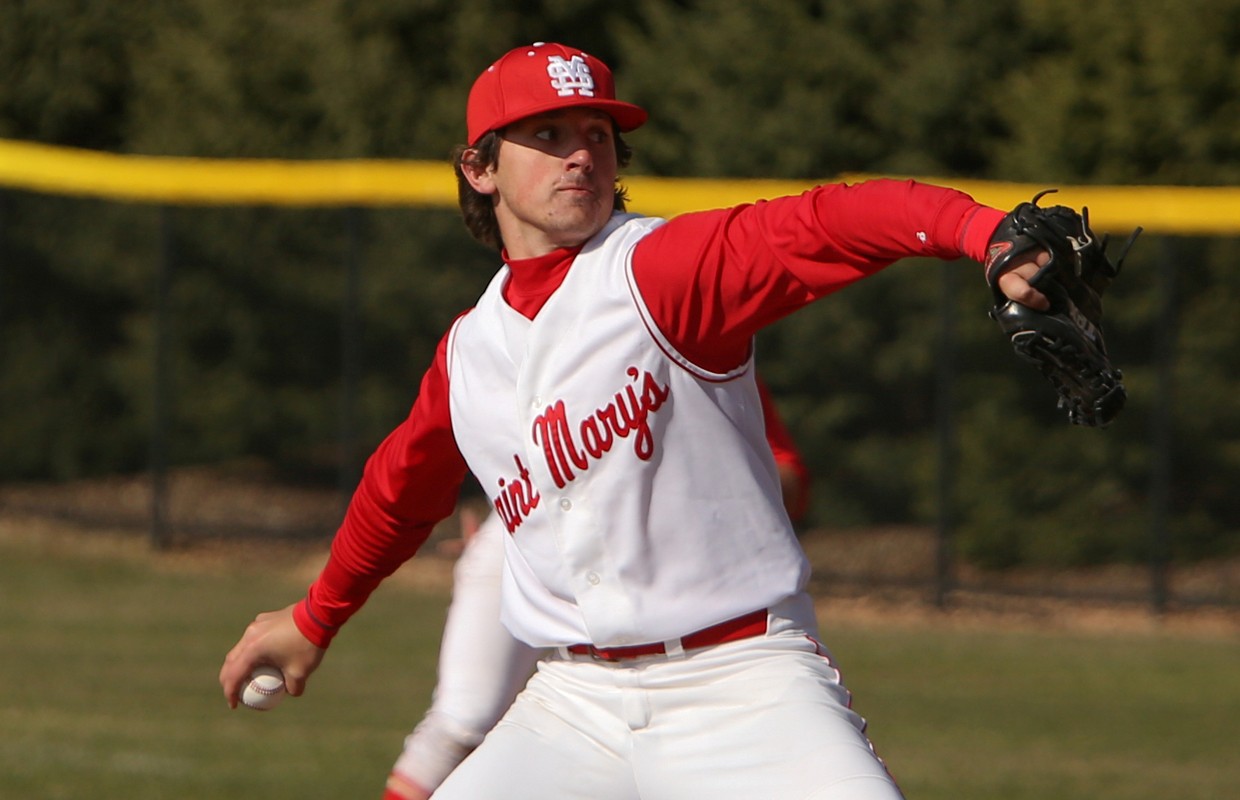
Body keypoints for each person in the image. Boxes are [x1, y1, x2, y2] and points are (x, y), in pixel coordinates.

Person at [220, 41, 1052, 799]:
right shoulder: (470, 351)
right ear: (479, 167)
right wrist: (316, 615)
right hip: (574, 702)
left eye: (597, 133)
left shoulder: (659, 272)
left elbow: (826, 222)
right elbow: (400, 487)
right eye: (546, 134)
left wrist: (981, 234)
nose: (580, 153)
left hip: (745, 683)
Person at [384, 380, 811, 800]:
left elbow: (788, 478)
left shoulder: (687, 342)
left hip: (655, 566)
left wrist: (717, 481)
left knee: (661, 734)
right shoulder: (510, 330)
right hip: (524, 542)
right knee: (462, 720)